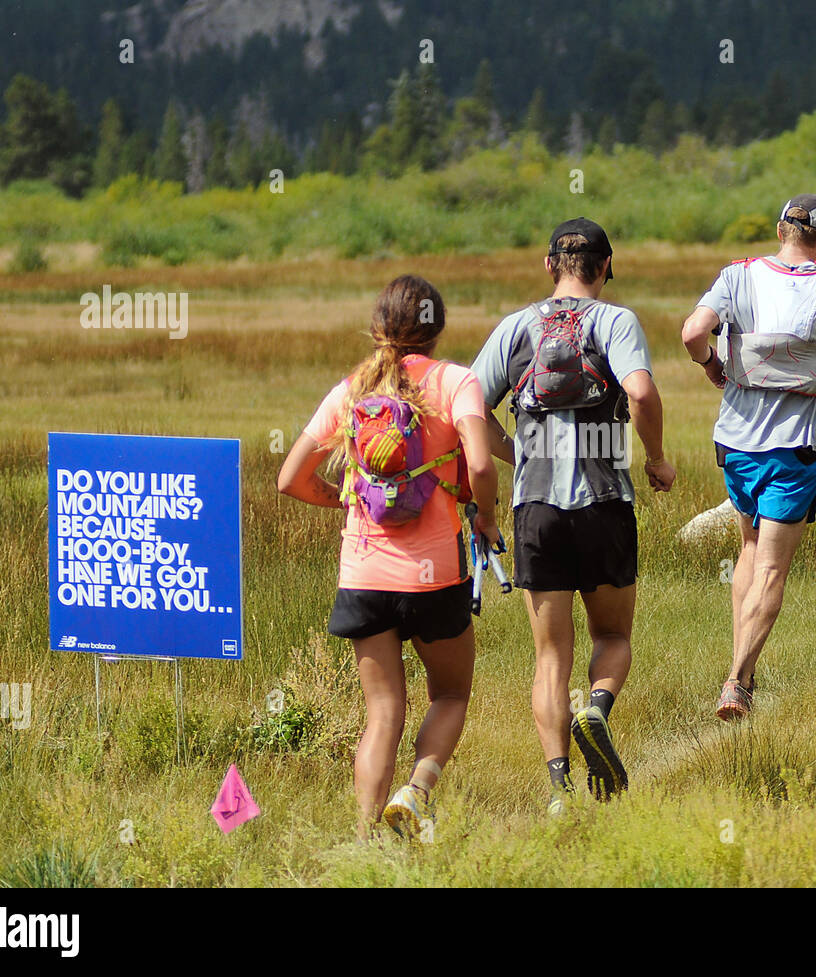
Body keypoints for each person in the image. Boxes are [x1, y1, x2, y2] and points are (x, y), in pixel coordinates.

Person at [277, 274, 499, 837]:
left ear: (379, 327)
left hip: (363, 573)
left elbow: (289, 479)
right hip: (435, 577)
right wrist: (488, 517)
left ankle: (363, 837)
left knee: (383, 712)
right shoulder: (456, 381)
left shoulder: (350, 389)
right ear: (437, 327)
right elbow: (480, 463)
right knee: (450, 693)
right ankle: (416, 792)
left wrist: (346, 505)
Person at [471, 217, 675, 814]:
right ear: (608, 266)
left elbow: (470, 409)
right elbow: (639, 392)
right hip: (605, 502)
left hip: (536, 507)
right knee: (612, 635)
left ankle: (559, 787)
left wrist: (517, 452)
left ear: (548, 266)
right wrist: (657, 458)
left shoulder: (515, 326)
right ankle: (598, 708)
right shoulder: (617, 321)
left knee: (550, 656)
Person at [681, 195, 816, 720]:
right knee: (771, 567)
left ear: (780, 230)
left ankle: (740, 673)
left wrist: (711, 365)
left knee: (749, 550)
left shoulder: (736, 276)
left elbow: (691, 332)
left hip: (735, 442)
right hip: (795, 446)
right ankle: (735, 683)